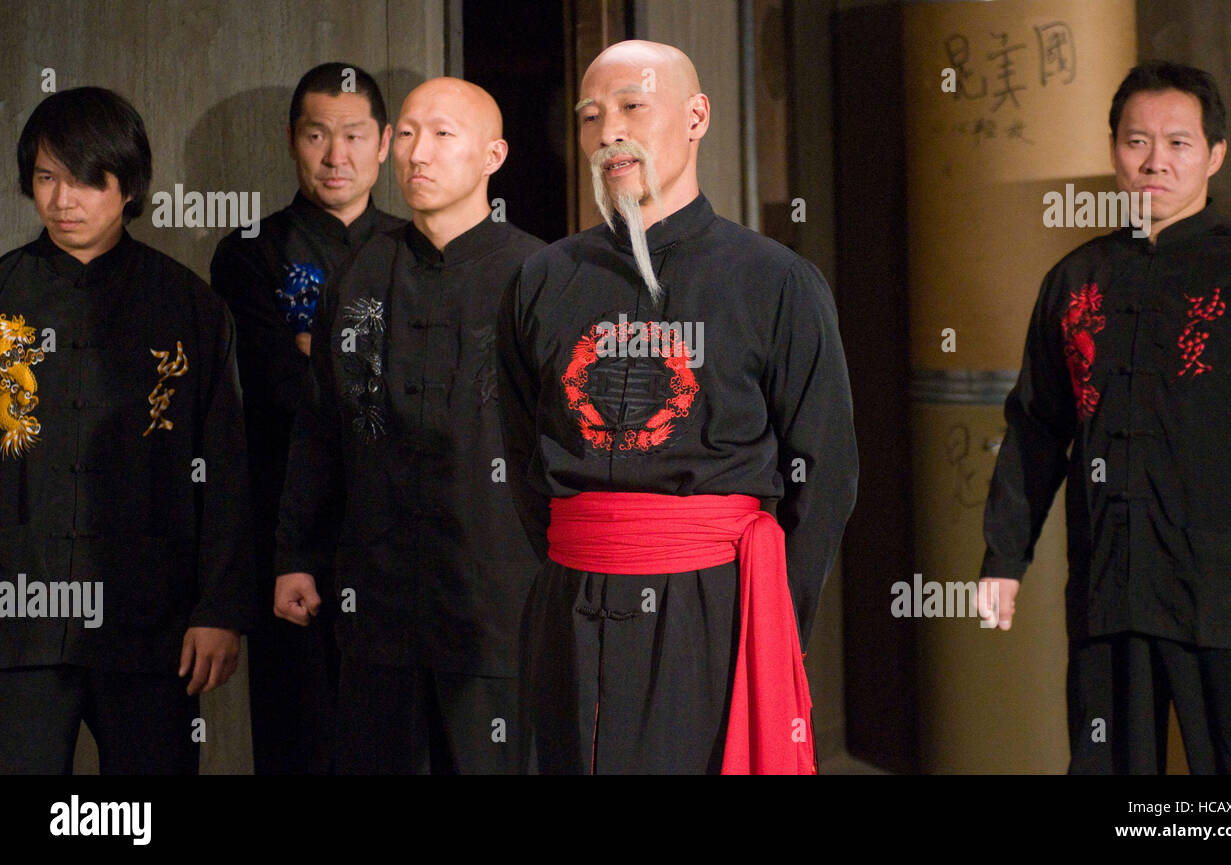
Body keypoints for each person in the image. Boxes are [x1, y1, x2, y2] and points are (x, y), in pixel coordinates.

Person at [497, 40, 858, 774]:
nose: (608, 132)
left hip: (714, 606)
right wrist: (595, 545)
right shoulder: (543, 278)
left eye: (633, 106)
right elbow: (520, 448)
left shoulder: (775, 280)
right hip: (570, 596)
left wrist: (766, 613)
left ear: (697, 116)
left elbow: (826, 472)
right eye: (591, 115)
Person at [980, 60, 1231, 774]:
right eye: (1136, 141)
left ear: (1216, 153)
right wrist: (1005, 557)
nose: (1155, 160)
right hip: (1110, 587)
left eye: (1179, 143)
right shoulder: (1075, 279)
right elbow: (1036, 425)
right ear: (1113, 149)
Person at [274, 77, 542, 774]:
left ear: (493, 155)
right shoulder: (360, 270)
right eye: (410, 134)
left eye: (444, 135)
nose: (418, 153)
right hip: (378, 602)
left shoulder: (539, 274)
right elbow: (321, 425)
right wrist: (296, 552)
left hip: (498, 606)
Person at [0, 87, 253, 774]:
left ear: (130, 184)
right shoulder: (4, 296)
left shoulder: (190, 307)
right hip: (18, 624)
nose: (63, 199)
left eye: (85, 178)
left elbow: (226, 467)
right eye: (47, 177)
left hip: (154, 623)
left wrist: (219, 608)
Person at [209, 62, 404, 774]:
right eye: (318, 135)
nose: (336, 155)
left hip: (399, 539)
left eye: (354, 135)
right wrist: (367, 367)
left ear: (384, 143)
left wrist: (323, 353)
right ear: (294, 140)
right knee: (299, 741)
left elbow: (420, 393)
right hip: (290, 536)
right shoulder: (248, 251)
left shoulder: (414, 249)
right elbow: (282, 386)